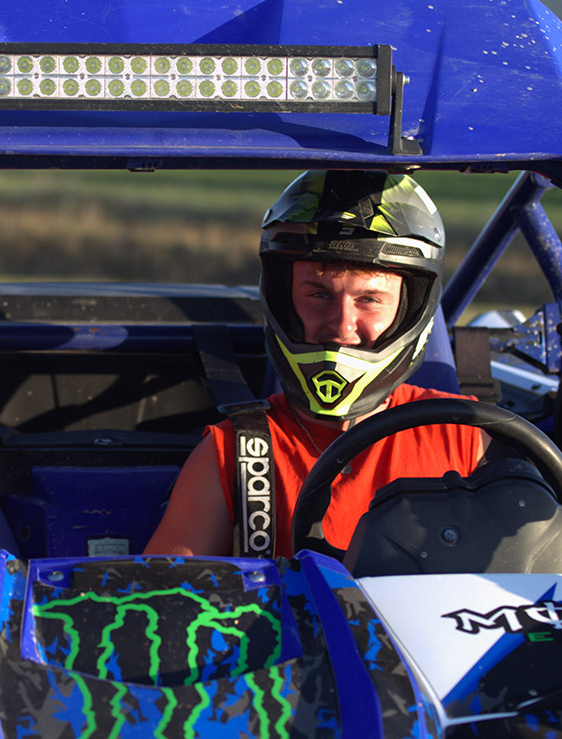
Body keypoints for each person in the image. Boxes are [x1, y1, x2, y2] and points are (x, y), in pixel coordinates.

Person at [145, 170, 486, 560]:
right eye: (319, 294)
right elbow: (160, 601)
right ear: (284, 301)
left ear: (411, 310)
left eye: (370, 300)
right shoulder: (231, 454)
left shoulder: (465, 438)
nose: (342, 326)